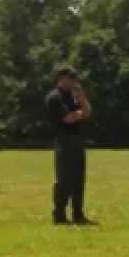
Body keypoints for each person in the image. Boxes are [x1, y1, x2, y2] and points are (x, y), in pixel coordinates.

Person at [45, 65, 94, 225]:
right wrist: (79, 114)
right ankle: (59, 215)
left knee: (79, 179)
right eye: (71, 77)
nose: (74, 81)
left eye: (75, 77)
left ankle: (78, 215)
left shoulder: (73, 97)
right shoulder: (55, 97)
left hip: (77, 140)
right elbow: (68, 118)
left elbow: (87, 113)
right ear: (61, 78)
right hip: (64, 141)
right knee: (64, 180)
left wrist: (81, 98)